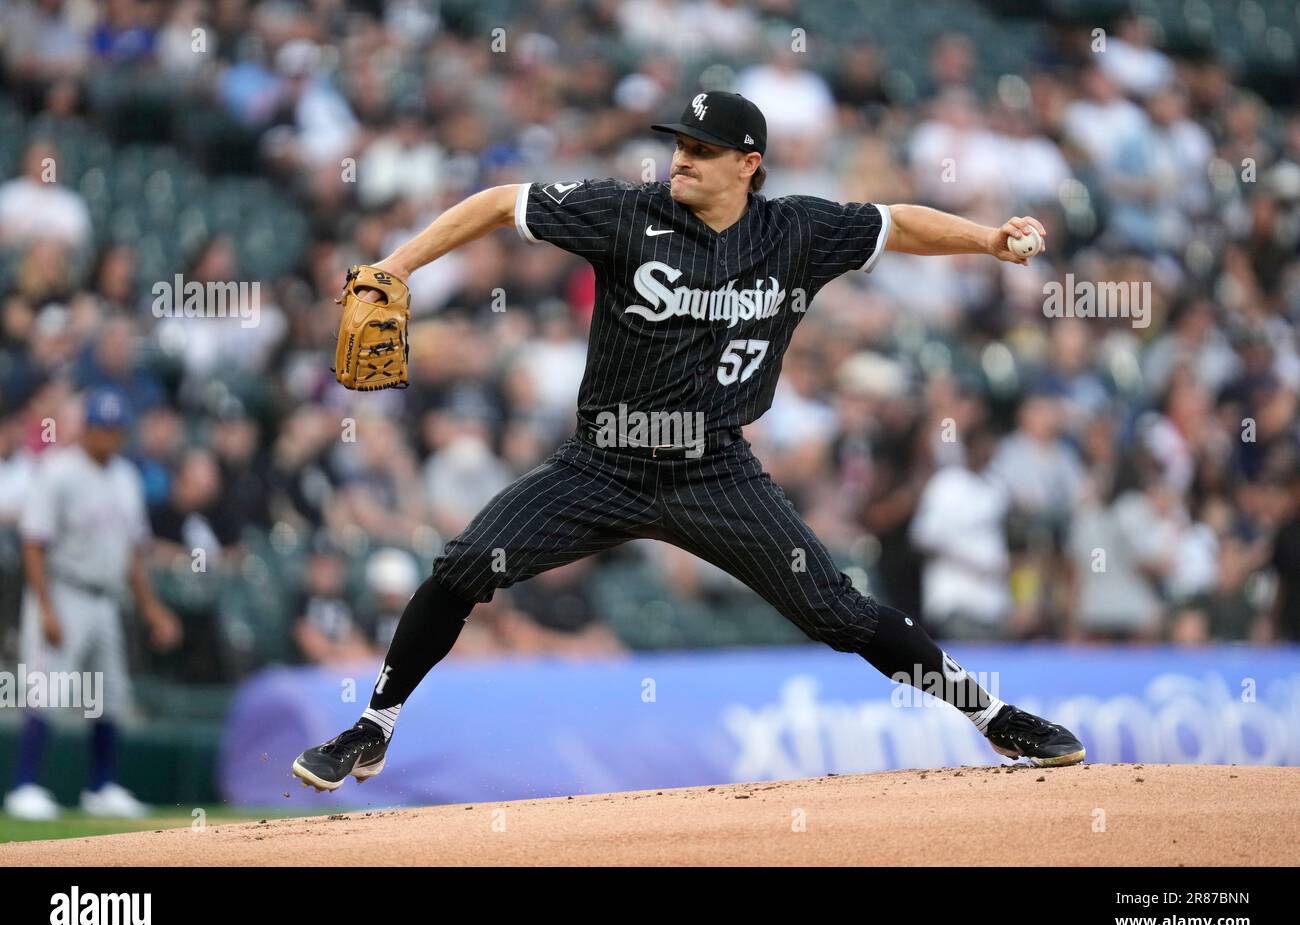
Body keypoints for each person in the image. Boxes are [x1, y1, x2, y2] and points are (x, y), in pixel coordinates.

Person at [292, 91, 1085, 792]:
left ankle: (994, 717)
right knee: (465, 564)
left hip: (715, 469)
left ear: (749, 164)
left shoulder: (797, 231)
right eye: (679, 145)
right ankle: (374, 727)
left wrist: (988, 239)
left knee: (838, 612)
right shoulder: (626, 213)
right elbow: (503, 202)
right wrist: (393, 267)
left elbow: (898, 222)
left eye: (702, 151)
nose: (682, 160)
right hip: (602, 461)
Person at [4, 387, 180, 820]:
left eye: (113, 429)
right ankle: (24, 786)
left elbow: (133, 555)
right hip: (63, 589)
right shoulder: (58, 470)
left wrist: (151, 608)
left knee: (109, 694)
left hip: (106, 599)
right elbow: (33, 543)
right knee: (46, 690)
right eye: (99, 428)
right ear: (85, 429)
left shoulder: (126, 477)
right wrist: (44, 606)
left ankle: (100, 788)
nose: (107, 436)